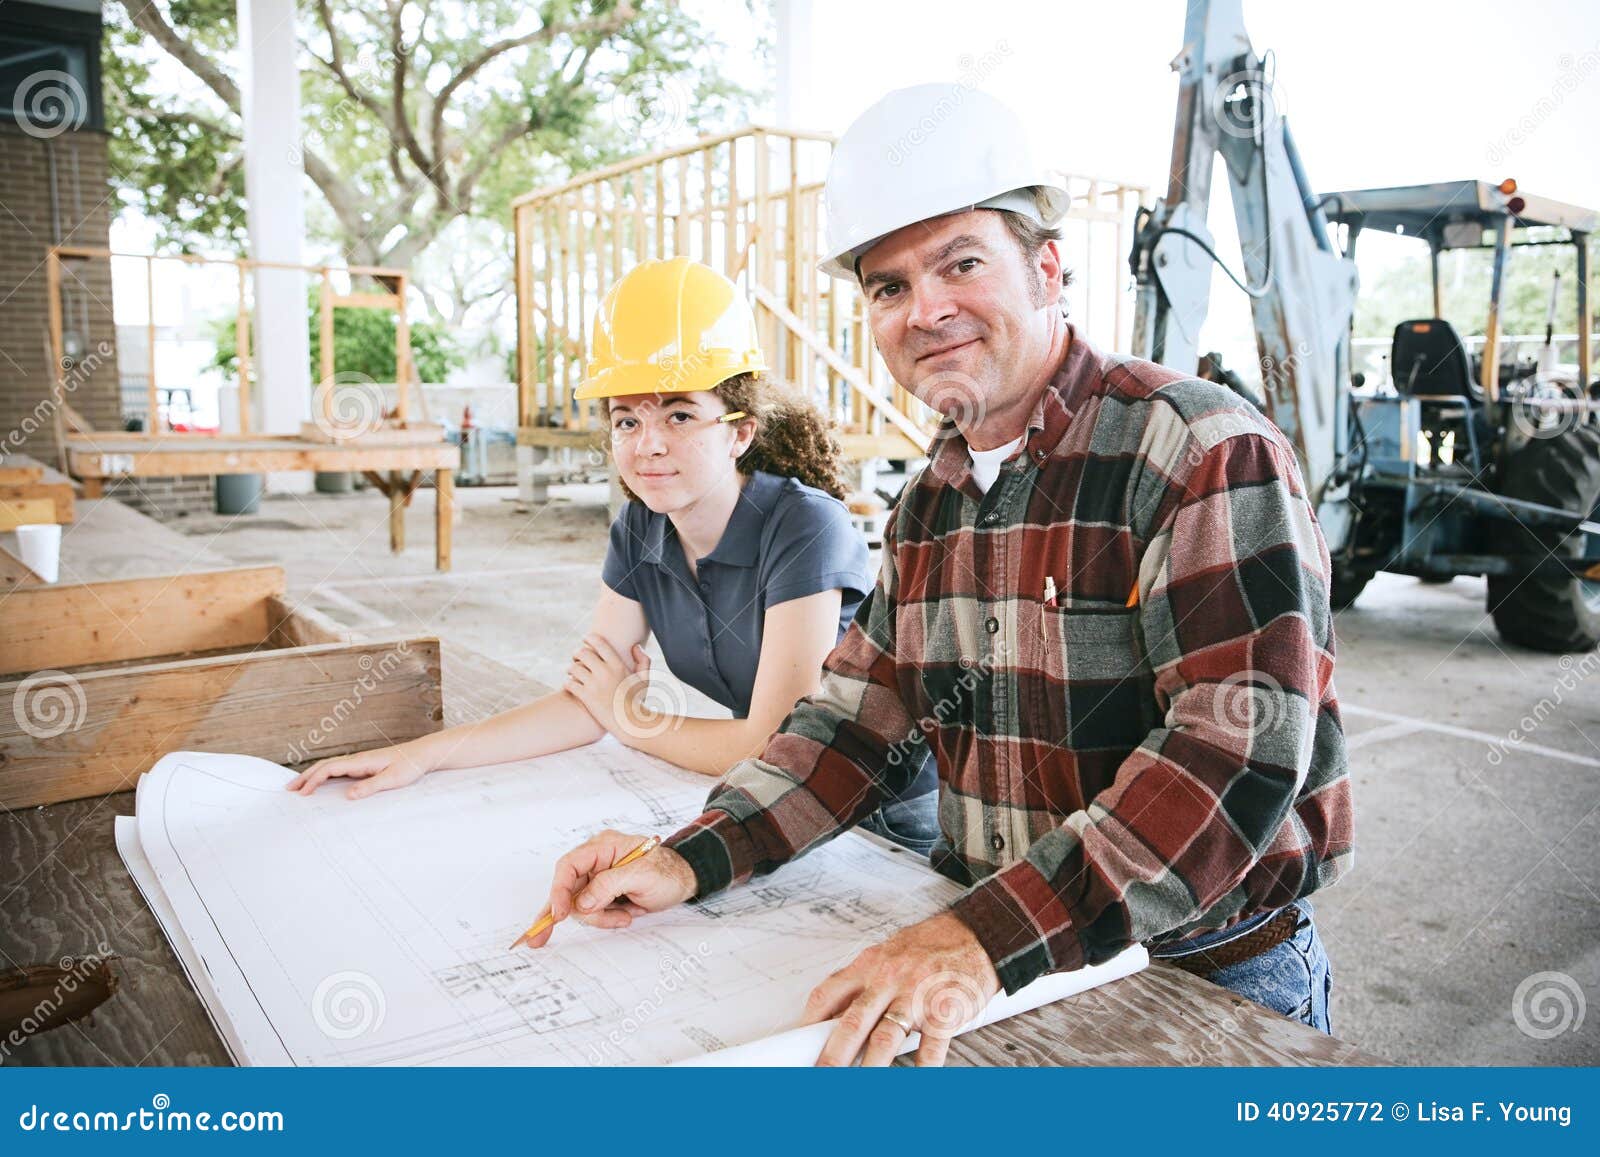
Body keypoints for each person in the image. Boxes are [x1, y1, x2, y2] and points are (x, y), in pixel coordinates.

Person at [523, 85, 1355, 1066]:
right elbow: (856, 720)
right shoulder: (934, 499)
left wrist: (976, 939)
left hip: (1197, 977)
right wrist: (692, 854)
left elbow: (1232, 754)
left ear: (1046, 268)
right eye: (887, 286)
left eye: (960, 262)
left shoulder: (1194, 448)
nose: (926, 310)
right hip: (998, 956)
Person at [287, 257, 940, 854]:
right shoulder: (640, 529)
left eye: (679, 415)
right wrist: (424, 755)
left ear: (740, 431)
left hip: (892, 808)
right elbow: (585, 702)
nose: (647, 444)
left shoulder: (805, 525)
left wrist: (634, 719)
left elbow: (773, 740)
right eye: (627, 419)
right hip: (784, 799)